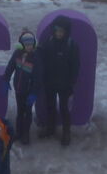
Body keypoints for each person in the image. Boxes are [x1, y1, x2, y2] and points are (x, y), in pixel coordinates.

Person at [36, 15, 80, 146]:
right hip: (49, 82)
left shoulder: (72, 45)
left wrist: (72, 82)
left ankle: (66, 132)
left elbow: (76, 66)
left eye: (61, 31)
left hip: (65, 84)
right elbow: (40, 58)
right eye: (57, 30)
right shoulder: (48, 43)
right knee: (50, 106)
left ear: (66, 32)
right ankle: (50, 129)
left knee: (64, 108)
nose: (59, 33)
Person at [2, 29, 41, 145]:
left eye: (31, 44)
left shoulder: (36, 58)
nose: (29, 47)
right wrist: (5, 79)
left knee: (27, 112)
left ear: (34, 44)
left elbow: (38, 78)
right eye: (27, 44)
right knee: (20, 112)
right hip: (18, 89)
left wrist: (34, 93)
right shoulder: (17, 54)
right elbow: (10, 67)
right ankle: (18, 133)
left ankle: (26, 134)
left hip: (29, 91)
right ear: (22, 45)